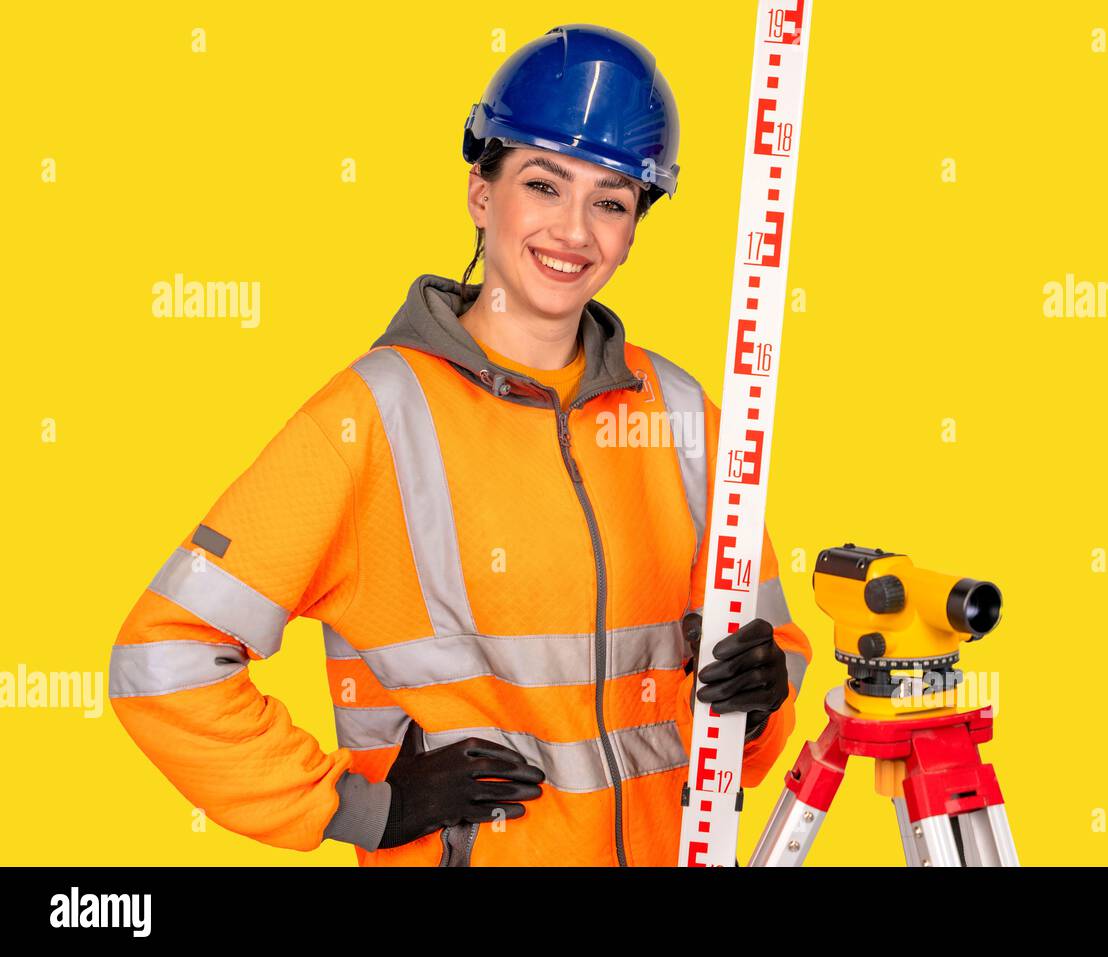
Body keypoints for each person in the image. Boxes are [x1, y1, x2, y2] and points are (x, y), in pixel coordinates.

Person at [109, 23, 812, 867]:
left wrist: (763, 703)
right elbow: (162, 658)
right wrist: (357, 806)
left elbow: (756, 708)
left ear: (634, 226)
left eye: (611, 200)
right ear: (482, 193)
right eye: (544, 184)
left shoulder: (684, 414)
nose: (575, 230)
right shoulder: (373, 415)